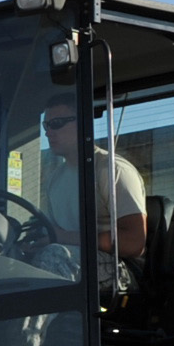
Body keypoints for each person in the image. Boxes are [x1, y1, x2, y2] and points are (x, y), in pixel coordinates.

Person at [39, 89, 147, 263]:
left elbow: (134, 242)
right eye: (46, 125)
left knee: (53, 258)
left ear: (83, 123)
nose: (48, 132)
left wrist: (65, 238)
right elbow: (55, 234)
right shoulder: (54, 179)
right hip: (69, 260)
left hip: (116, 266)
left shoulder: (112, 170)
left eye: (57, 123)